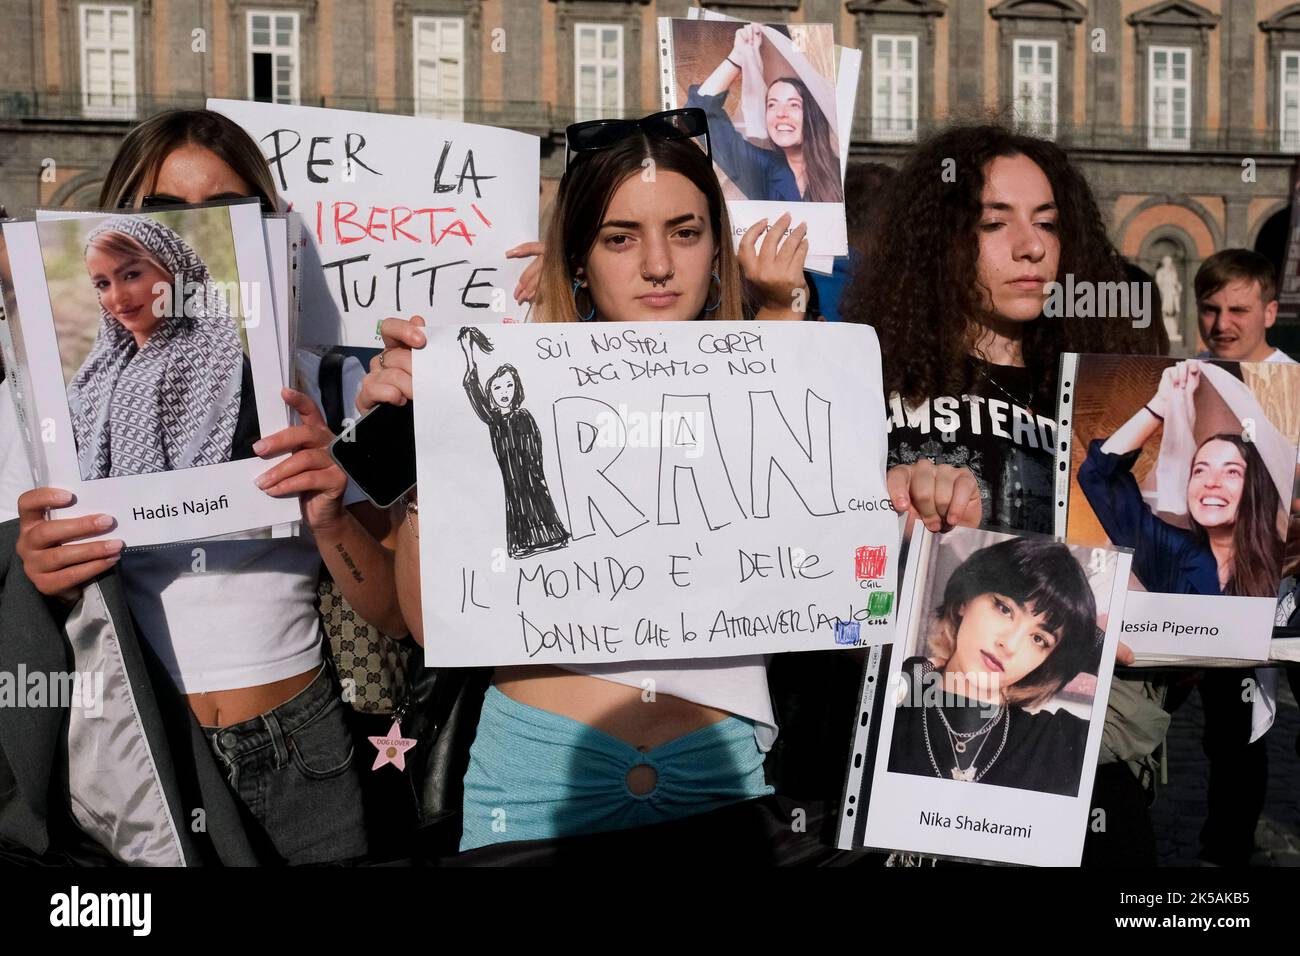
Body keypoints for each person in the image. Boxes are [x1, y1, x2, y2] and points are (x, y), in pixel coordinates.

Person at [358, 107, 861, 860]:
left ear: (717, 250)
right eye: (620, 237)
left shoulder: (781, 374)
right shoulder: (502, 382)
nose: (657, 264)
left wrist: (785, 317)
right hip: (533, 778)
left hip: (721, 777)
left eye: (685, 233)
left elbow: (833, 579)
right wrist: (429, 444)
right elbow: (435, 626)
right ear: (579, 259)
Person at [4, 109, 405, 865]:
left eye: (223, 212)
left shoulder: (322, 381)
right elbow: (21, 608)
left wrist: (329, 517)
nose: (123, 292)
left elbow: (394, 613)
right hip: (132, 743)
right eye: (160, 217)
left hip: (301, 741)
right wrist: (39, 581)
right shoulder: (48, 404)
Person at [844, 124, 1170, 866]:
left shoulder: (1104, 405)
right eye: (995, 224)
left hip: (1082, 775)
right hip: (908, 768)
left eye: (1048, 224)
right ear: (939, 242)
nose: (1031, 247)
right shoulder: (865, 381)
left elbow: (1160, 582)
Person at [889, 538, 1100, 798]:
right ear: (965, 599)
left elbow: (1140, 723)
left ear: (1048, 660)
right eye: (1004, 608)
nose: (1009, 644)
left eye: (1039, 639)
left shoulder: (1053, 740)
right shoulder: (897, 696)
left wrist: (1084, 635)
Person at [1078, 360, 1285, 600]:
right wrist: (1161, 404)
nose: (1211, 482)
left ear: (1255, 488)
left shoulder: (1284, 561)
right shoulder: (1169, 554)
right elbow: (1097, 474)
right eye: (1200, 470)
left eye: (1231, 471)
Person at [69, 215, 255, 481]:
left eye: (131, 275)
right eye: (102, 284)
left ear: (173, 271)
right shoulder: (96, 374)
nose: (118, 296)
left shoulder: (219, 360)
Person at [686, 24, 842, 204]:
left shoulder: (842, 172)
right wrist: (737, 57)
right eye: (772, 105)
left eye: (793, 105)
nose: (781, 114)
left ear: (811, 116)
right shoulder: (761, 168)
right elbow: (697, 112)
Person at [458, 325, 569, 558]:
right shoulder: (494, 419)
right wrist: (468, 354)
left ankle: (551, 536)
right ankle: (524, 541)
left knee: (536, 493)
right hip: (511, 477)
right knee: (516, 497)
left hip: (531, 474)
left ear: (517, 387)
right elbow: (473, 389)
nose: (504, 391)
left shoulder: (523, 416)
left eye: (509, 385)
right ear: (491, 393)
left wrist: (533, 468)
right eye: (497, 387)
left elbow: (535, 447)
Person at [1195, 248, 1293, 363]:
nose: (1222, 325)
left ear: (1269, 314)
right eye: (1210, 310)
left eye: (1237, 310)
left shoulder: (1295, 379)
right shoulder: (1179, 374)